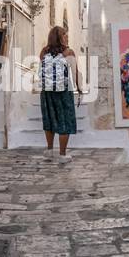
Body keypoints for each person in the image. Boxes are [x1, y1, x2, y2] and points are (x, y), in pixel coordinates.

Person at [39, 25, 83, 158]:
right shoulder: (68, 52)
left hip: (46, 92)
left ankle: (49, 150)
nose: (66, 36)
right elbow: (75, 72)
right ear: (58, 37)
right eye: (64, 34)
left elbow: (43, 68)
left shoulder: (44, 51)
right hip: (63, 91)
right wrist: (80, 89)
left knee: (50, 120)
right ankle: (63, 155)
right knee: (65, 120)